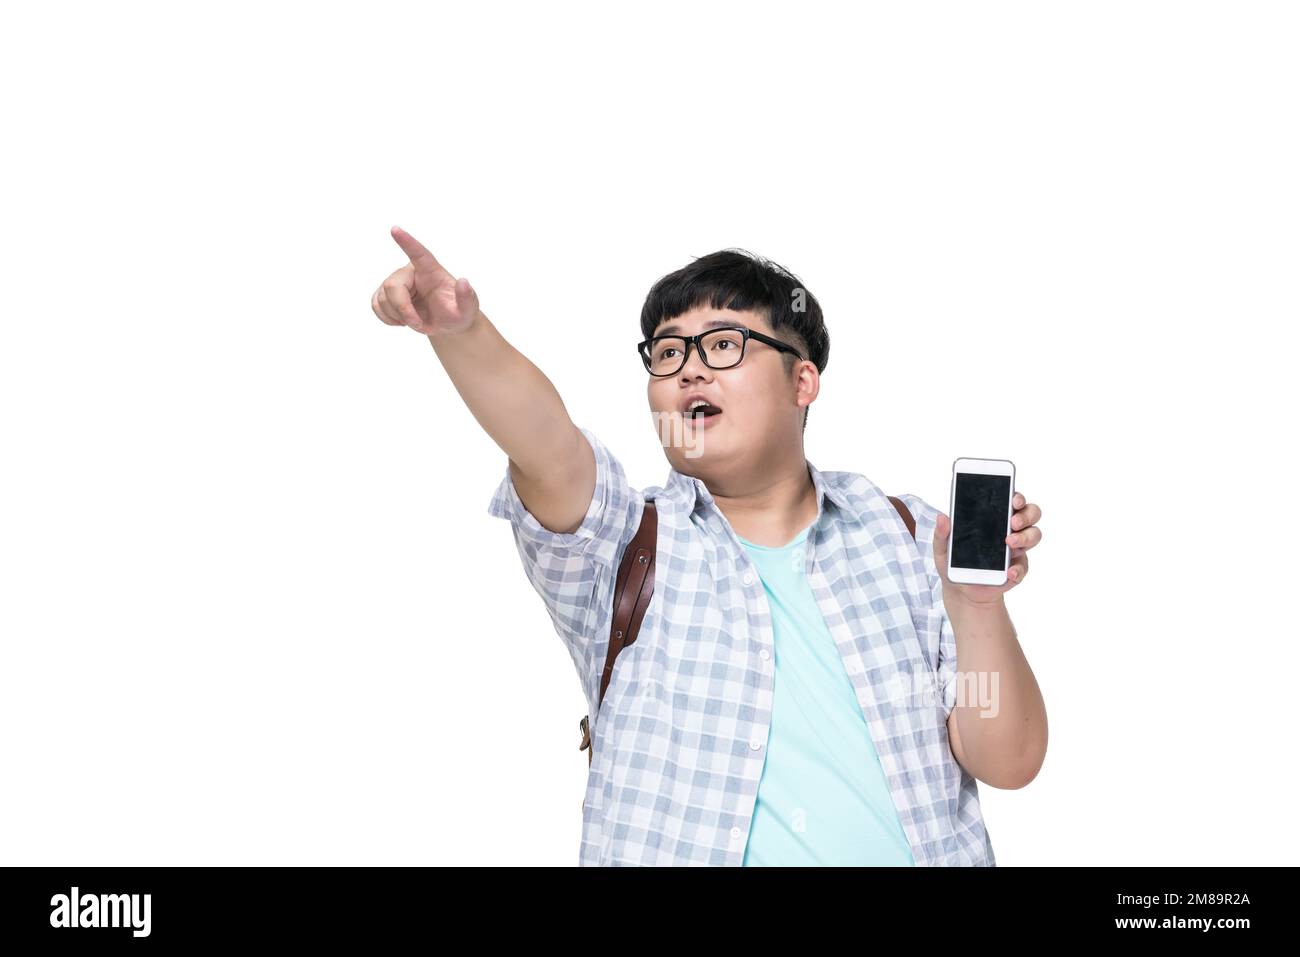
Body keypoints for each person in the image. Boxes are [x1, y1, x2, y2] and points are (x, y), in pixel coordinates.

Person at [370, 227, 1048, 866]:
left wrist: (976, 605)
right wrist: (463, 333)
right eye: (668, 353)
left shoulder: (908, 537)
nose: (690, 369)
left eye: (723, 344)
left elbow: (1008, 761)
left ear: (802, 381)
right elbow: (545, 442)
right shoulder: (625, 542)